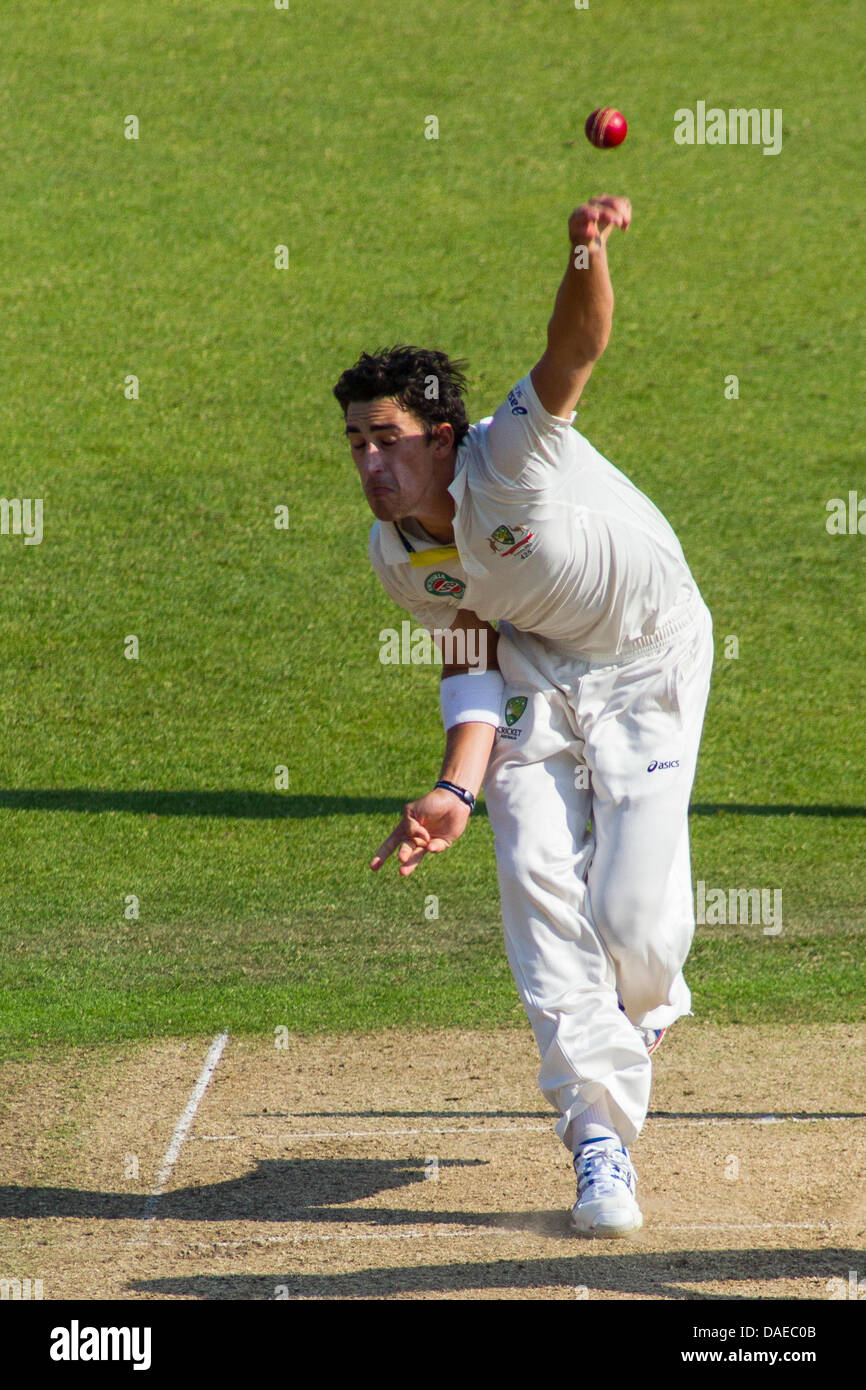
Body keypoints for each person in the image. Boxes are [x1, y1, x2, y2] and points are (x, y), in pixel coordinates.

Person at [332, 194, 713, 1237]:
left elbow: (573, 346)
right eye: (357, 443)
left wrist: (584, 252)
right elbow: (470, 659)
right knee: (536, 879)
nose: (370, 463)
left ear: (441, 436)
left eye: (389, 440)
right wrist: (456, 788)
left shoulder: (508, 452)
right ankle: (596, 1140)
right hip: (535, 678)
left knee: (638, 928)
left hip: (648, 659)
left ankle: (640, 1017)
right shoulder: (396, 554)